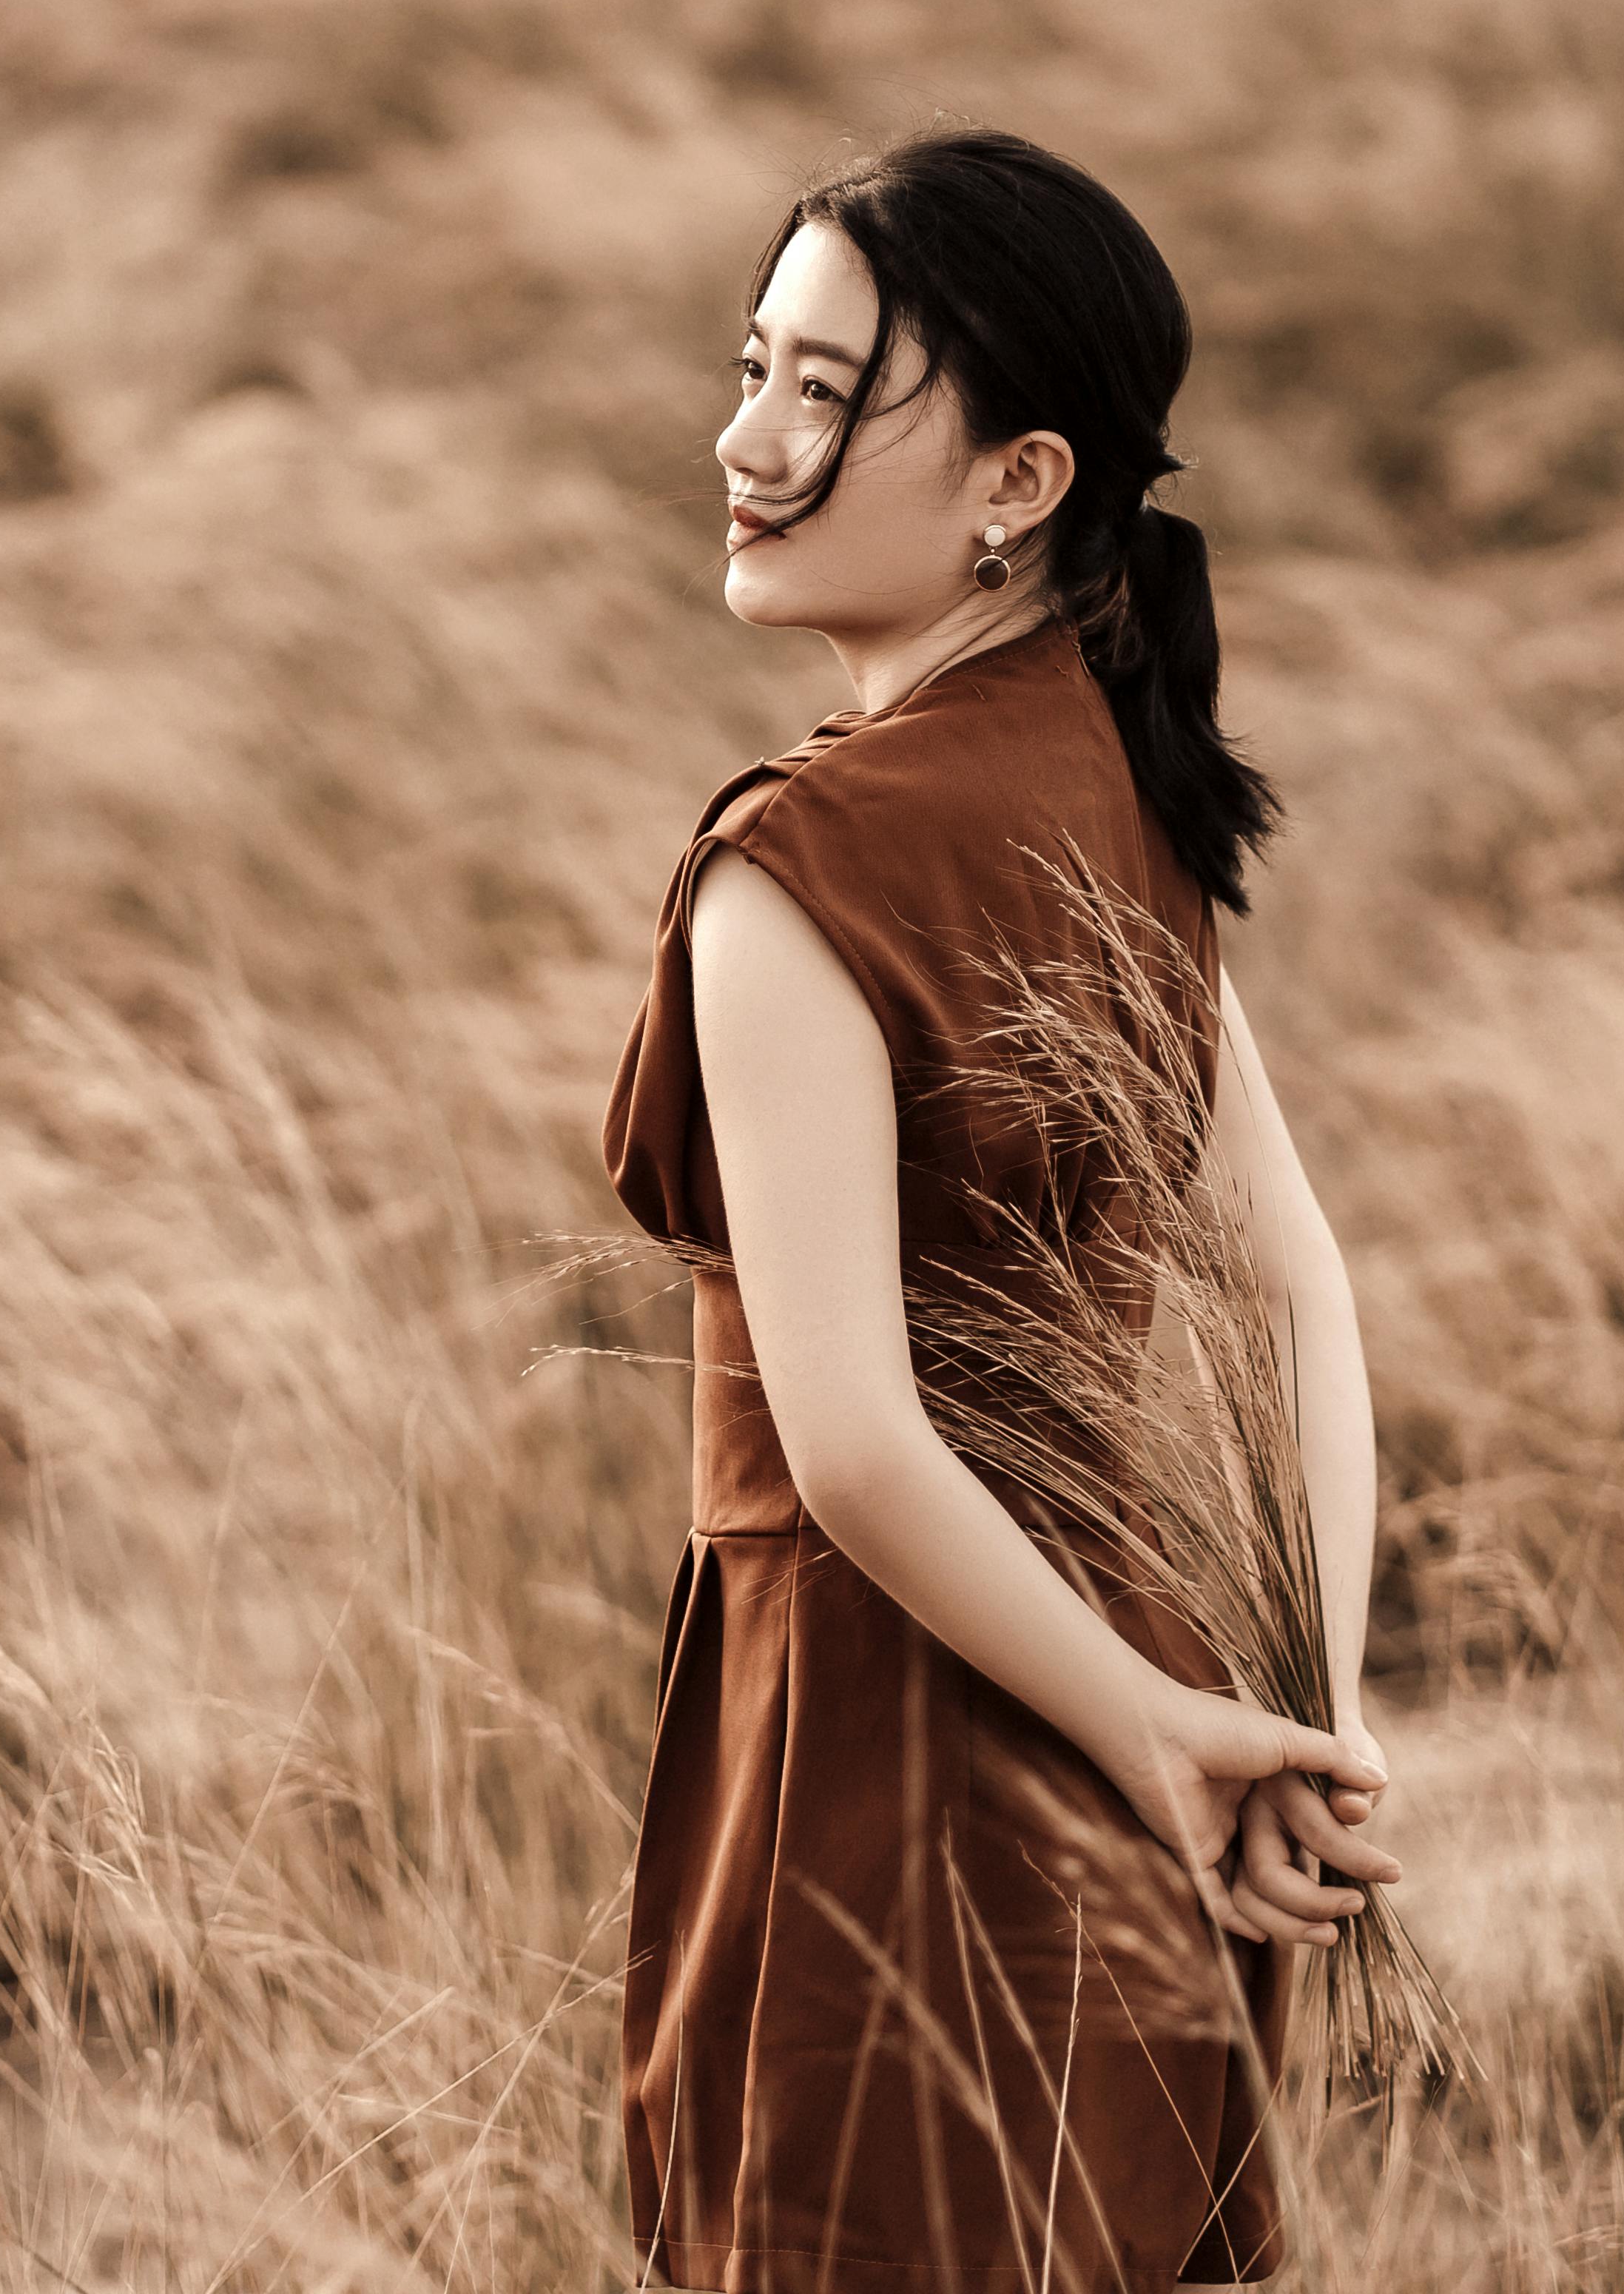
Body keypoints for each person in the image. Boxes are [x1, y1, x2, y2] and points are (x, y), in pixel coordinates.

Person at [602, 130, 1398, 2289]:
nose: (744, 442)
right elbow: (1301, 1292)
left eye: (826, 393)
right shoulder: (1113, 780)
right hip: (1152, 1689)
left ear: (1018, 483)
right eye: (753, 369)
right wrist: (1300, 1714)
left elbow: (855, 1451)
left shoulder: (796, 872)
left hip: (886, 1736)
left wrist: (1177, 1741)